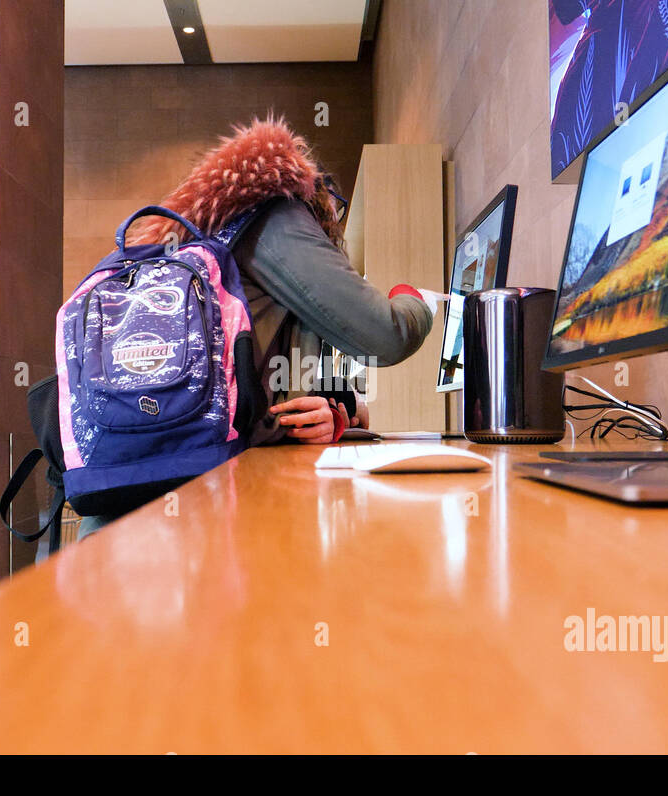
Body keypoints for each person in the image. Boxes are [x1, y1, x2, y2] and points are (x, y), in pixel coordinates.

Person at [76, 115, 436, 538]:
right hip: (201, 520)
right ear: (319, 197)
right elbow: (385, 335)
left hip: (130, 505)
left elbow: (230, 387)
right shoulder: (277, 216)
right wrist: (416, 297)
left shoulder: (203, 242)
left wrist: (332, 410)